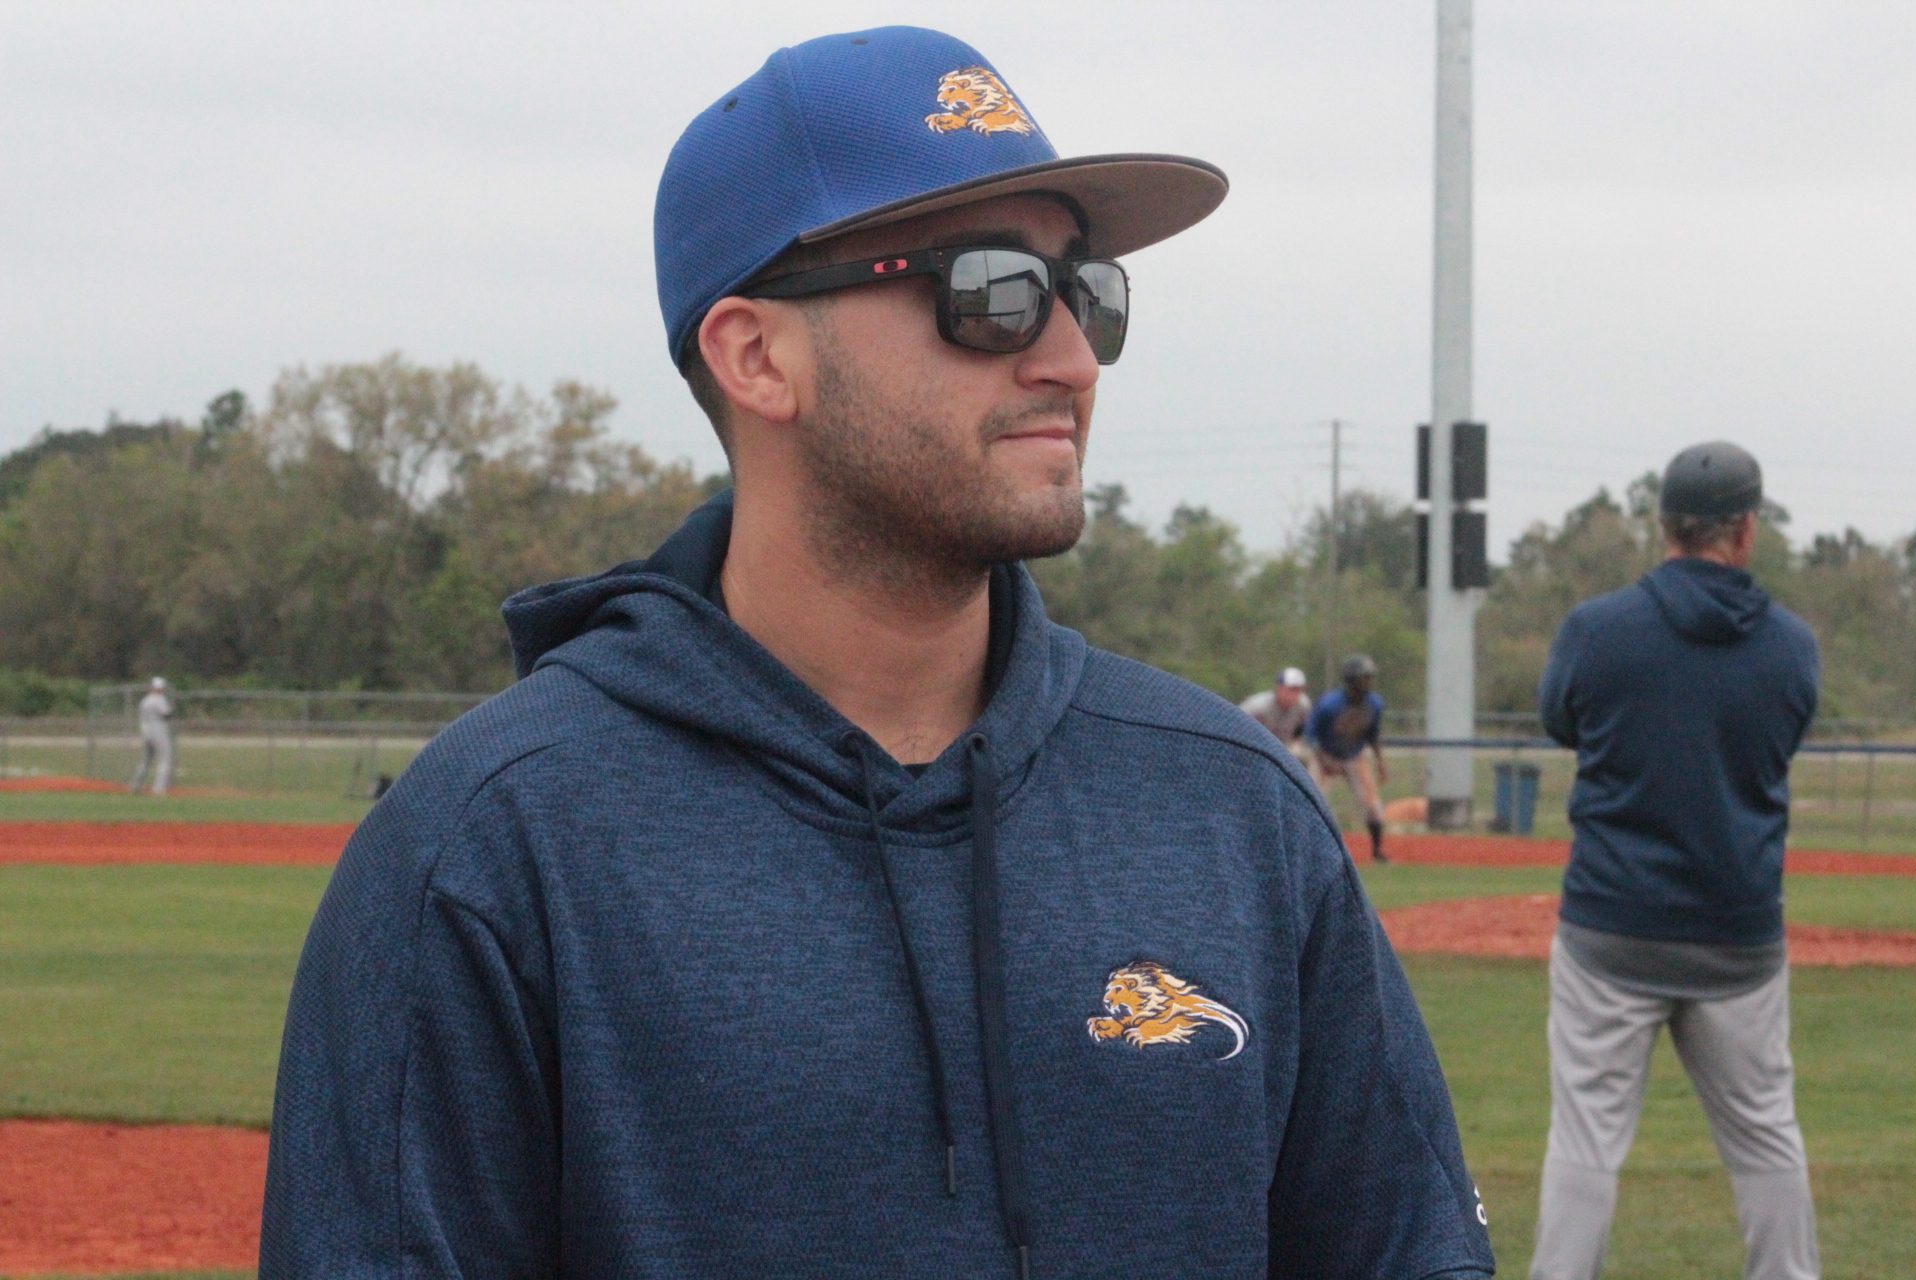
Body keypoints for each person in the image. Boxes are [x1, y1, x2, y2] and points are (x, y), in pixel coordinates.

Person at [262, 28, 1493, 1280]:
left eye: (1089, 292)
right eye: (991, 289)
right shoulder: (495, 840)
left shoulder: (1235, 808)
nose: (1068, 356)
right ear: (755, 354)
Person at [1529, 442, 1821, 1280]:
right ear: (1747, 529)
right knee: (1767, 1138)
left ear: (1664, 526)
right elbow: (1781, 738)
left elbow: (1562, 721)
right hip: (1739, 935)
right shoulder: (1792, 647)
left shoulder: (1598, 629)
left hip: (1611, 927)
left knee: (1585, 1141)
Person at [1308, 654, 1389, 862]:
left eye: (1370, 677)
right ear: (1352, 680)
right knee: (1311, 802)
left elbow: (1373, 735)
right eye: (1365, 677)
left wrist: (1380, 761)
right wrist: (1323, 760)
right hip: (1325, 756)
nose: (1369, 682)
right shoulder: (1329, 704)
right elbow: (1311, 734)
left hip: (1354, 756)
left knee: (1372, 805)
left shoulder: (1375, 703)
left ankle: (1378, 851)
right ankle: (1312, 853)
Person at [1239, 666, 1312, 762]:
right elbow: (1236, 725)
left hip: (1282, 750)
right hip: (1253, 748)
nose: (1295, 694)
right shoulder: (1258, 706)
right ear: (1278, 688)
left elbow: (1300, 729)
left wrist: (1296, 744)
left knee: (1303, 757)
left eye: (1298, 690)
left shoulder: (1303, 705)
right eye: (1291, 689)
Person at [129, 677, 173, 796]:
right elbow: (167, 714)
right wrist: (171, 708)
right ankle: (158, 789)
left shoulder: (145, 700)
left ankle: (136, 786)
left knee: (146, 760)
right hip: (158, 731)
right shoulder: (159, 699)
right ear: (160, 688)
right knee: (165, 759)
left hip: (146, 732)